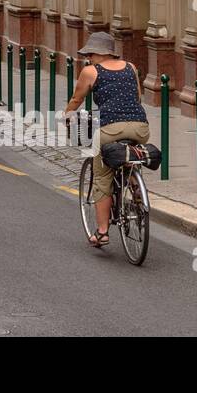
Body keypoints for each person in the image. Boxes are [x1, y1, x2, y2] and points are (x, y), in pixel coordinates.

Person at [58, 31, 149, 248]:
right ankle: (135, 186)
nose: (88, 57)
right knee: (128, 155)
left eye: (90, 53)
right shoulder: (131, 67)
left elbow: (76, 99)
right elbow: (136, 96)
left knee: (102, 177)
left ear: (98, 53)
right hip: (140, 127)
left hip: (110, 130)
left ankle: (102, 232)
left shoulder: (90, 71)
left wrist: (67, 117)